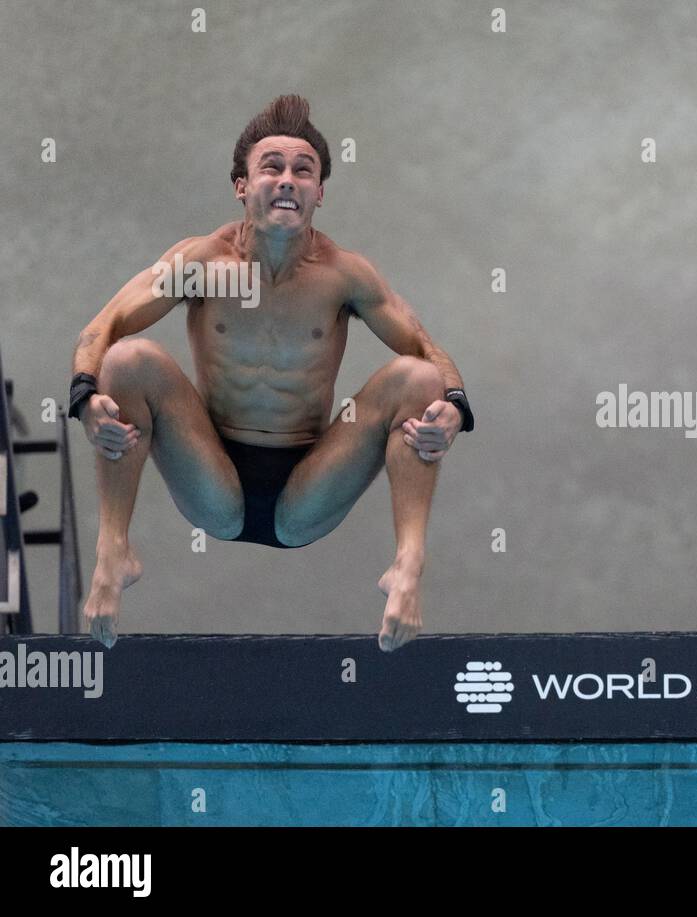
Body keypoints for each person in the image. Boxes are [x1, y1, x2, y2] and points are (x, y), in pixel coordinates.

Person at [68, 95, 474, 652]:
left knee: (419, 379)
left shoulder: (345, 275)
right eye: (272, 168)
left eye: (303, 171)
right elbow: (103, 326)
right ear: (242, 185)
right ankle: (113, 548)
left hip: (308, 489)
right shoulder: (202, 262)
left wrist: (455, 406)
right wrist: (85, 400)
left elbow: (428, 348)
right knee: (127, 360)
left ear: (320, 193)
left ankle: (407, 567)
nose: (287, 180)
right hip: (213, 479)